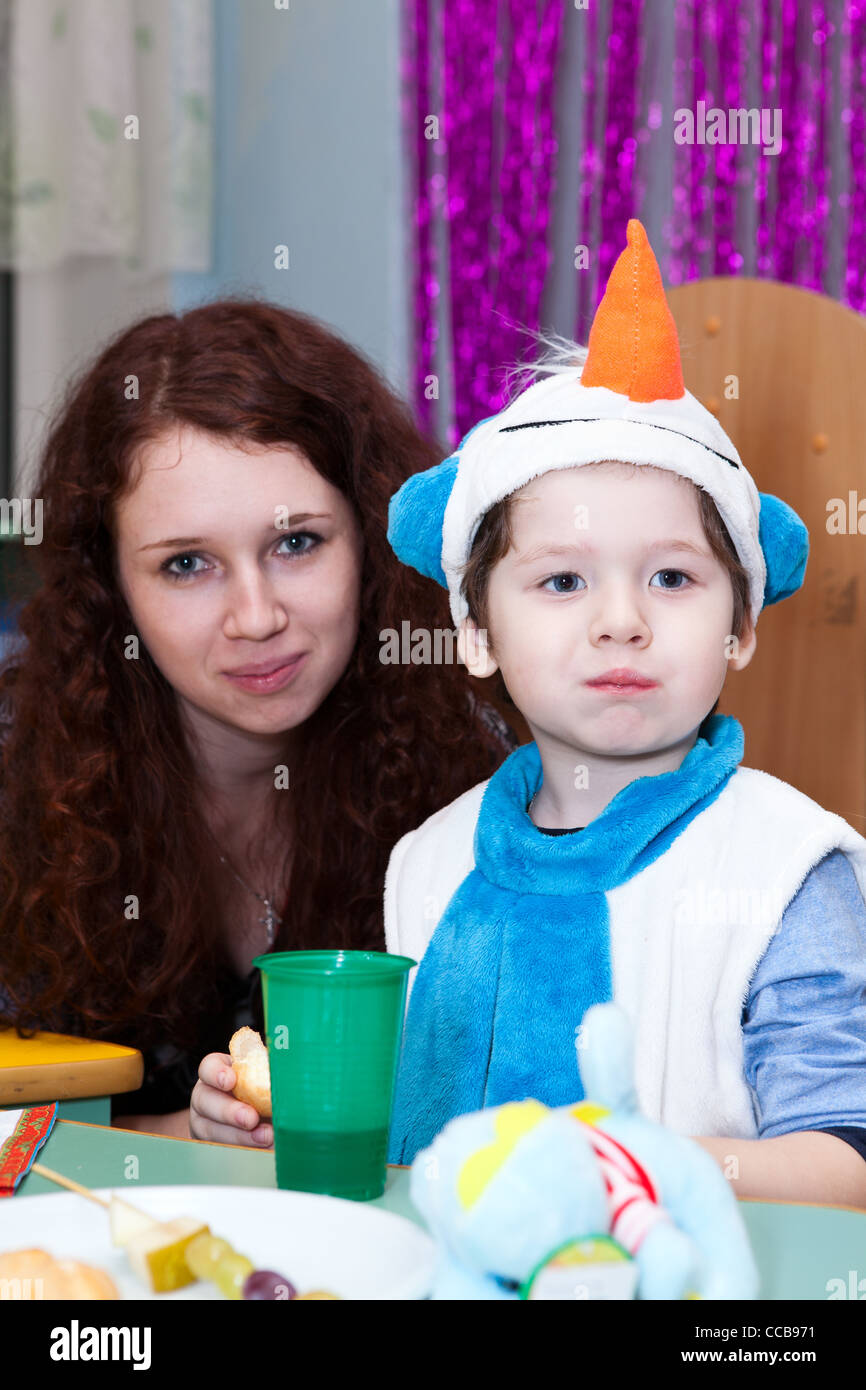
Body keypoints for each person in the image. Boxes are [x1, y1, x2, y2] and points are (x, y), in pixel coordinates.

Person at [382, 220, 866, 1207]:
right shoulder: (424, 862)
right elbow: (402, 1153)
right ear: (474, 630)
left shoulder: (782, 869)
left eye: (671, 577)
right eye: (560, 580)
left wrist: (624, 1168)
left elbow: (843, 1168)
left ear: (738, 623)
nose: (619, 621)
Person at [0, 299, 516, 1145]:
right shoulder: (19, 779)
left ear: (373, 541)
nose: (255, 616)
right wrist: (186, 1136)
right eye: (187, 564)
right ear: (111, 587)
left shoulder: (476, 765)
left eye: (296, 544)